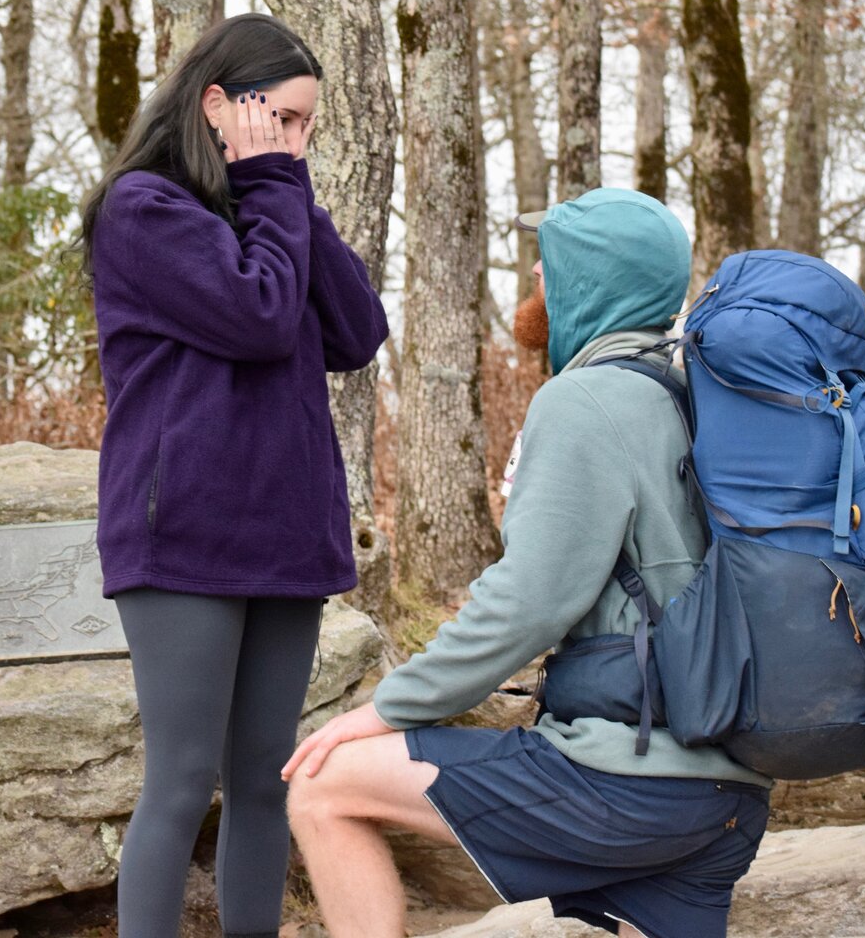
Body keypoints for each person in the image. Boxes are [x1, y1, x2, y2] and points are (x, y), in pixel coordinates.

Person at [281, 189, 771, 938]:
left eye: (549, 266)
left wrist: (384, 709)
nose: (535, 279)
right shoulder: (692, 394)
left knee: (323, 786)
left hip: (628, 781)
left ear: (589, 282)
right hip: (729, 793)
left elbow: (529, 601)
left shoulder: (585, 402)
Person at [79, 13, 388, 938]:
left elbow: (356, 332)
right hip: (184, 534)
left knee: (264, 778)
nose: (295, 144)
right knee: (180, 781)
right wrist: (273, 190)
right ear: (218, 104)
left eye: (307, 129)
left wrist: (284, 190)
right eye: (282, 122)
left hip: (287, 531)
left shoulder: (270, 202)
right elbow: (257, 316)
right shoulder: (143, 211)